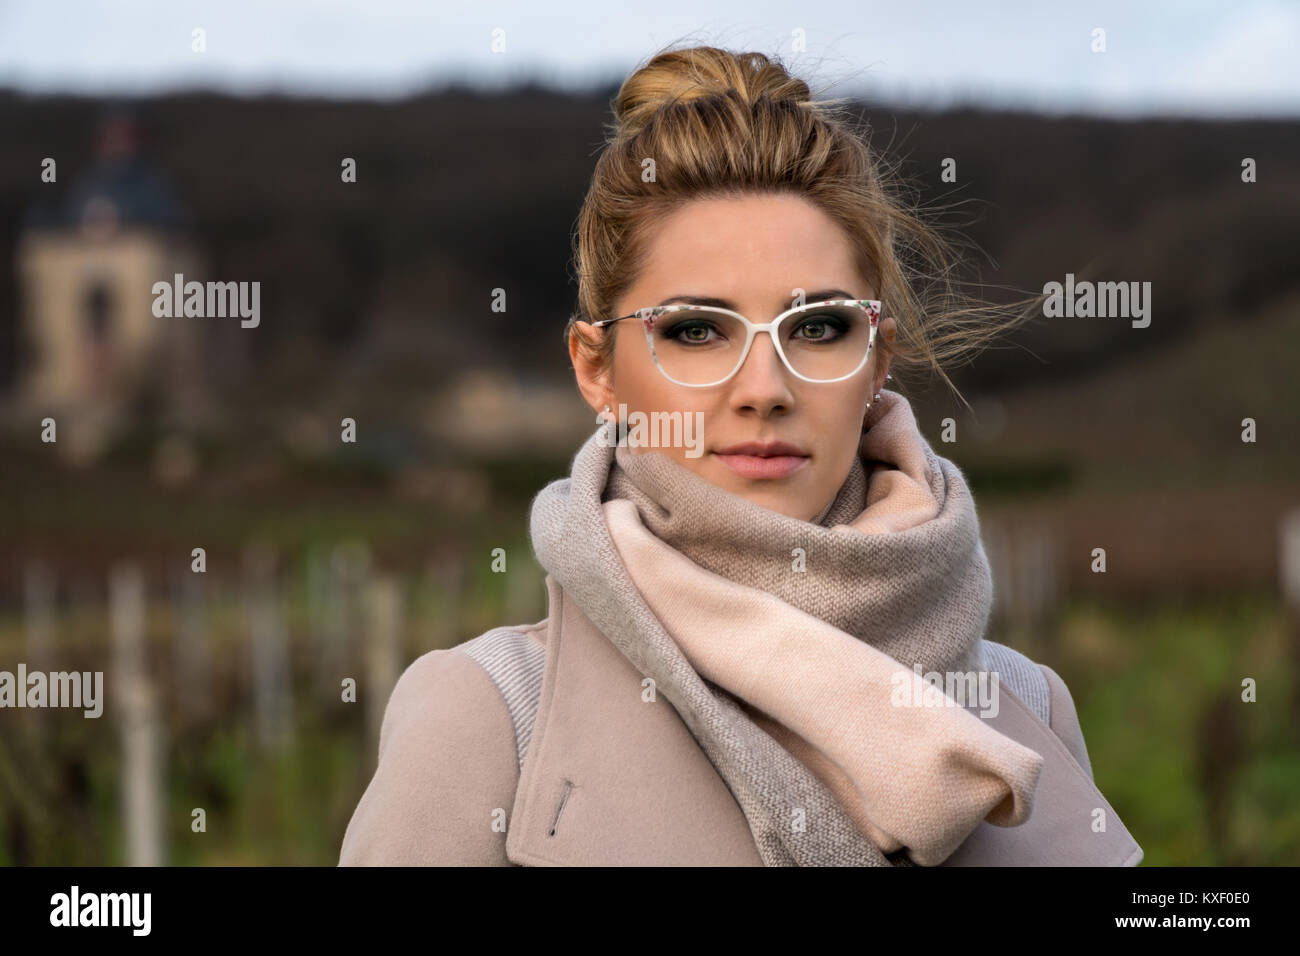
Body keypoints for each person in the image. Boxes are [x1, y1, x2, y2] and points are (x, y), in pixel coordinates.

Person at [339, 43, 1143, 867]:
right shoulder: (488, 719)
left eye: (818, 327)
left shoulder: (1024, 703)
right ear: (595, 370)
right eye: (694, 330)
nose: (765, 387)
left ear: (878, 358)